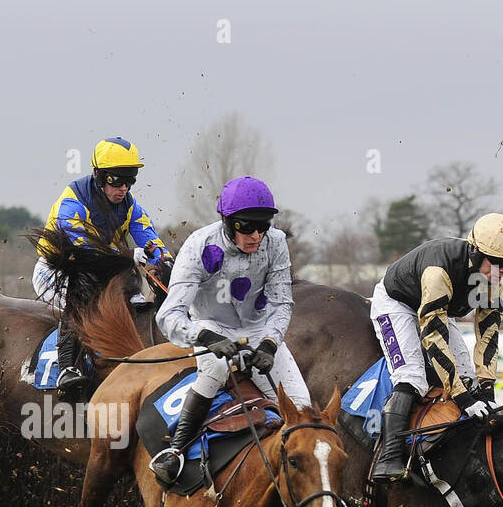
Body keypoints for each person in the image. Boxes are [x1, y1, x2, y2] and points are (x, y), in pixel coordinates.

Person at [148, 175, 311, 486]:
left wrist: (270, 343)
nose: (256, 236)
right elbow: (169, 315)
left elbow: (281, 303)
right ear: (226, 221)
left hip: (258, 327)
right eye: (246, 227)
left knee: (303, 410)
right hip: (211, 324)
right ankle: (175, 450)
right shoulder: (199, 245)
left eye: (263, 227)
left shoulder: (276, 242)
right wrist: (205, 337)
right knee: (216, 367)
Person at [369, 213, 503, 481]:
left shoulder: (495, 280)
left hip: (439, 309)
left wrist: (486, 389)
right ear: (475, 252)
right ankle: (389, 458)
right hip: (398, 304)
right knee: (412, 377)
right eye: (497, 262)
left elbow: (488, 335)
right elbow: (433, 335)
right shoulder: (438, 272)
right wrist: (463, 398)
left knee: (468, 379)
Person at [33, 137, 171, 389]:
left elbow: (152, 241)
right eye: (116, 180)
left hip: (100, 270)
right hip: (59, 269)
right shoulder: (72, 202)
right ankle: (67, 369)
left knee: (139, 299)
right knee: (86, 304)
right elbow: (84, 248)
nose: (123, 188)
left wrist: (165, 263)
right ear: (98, 175)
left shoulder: (130, 207)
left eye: (129, 181)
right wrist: (127, 255)